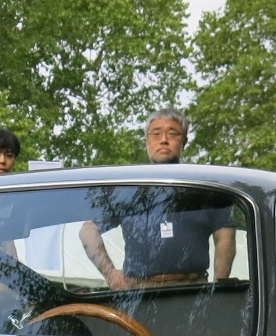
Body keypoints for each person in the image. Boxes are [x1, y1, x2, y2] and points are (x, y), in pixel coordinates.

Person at [80, 109, 235, 288]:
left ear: (183, 142)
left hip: (193, 291)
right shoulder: (127, 190)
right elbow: (88, 231)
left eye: (172, 134)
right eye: (156, 134)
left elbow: (225, 235)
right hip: (139, 294)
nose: (163, 140)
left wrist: (219, 287)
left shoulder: (202, 188)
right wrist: (111, 275)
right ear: (146, 141)